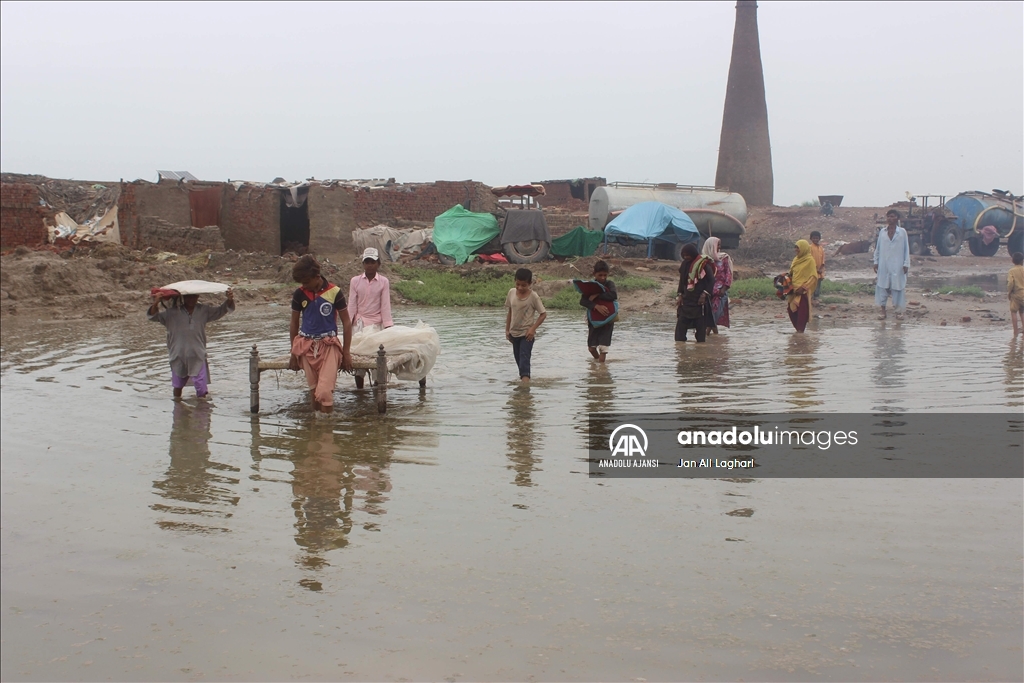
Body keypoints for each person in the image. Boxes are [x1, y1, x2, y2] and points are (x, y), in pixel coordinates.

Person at [289, 255, 353, 414]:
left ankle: (326, 431)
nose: (304, 286)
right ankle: (316, 430)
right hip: (306, 345)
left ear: (317, 277)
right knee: (314, 392)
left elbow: (346, 322)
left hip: (329, 345)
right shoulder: (300, 294)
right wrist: (293, 353)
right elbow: (294, 323)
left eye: (306, 282)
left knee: (324, 392)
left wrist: (346, 352)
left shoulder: (334, 292)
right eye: (302, 283)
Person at [148, 288, 234, 399]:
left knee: (202, 389)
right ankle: (177, 405)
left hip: (197, 354)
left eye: (194, 296)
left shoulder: (203, 311)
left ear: (198, 297)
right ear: (183, 298)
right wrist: (156, 303)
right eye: (189, 296)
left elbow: (221, 310)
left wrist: (230, 299)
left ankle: (202, 412)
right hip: (178, 354)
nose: (191, 299)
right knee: (178, 386)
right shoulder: (172, 313)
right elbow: (153, 316)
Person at [504, 268, 547, 382]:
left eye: (524, 285)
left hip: (526, 335)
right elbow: (510, 312)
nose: (520, 288)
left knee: (524, 362)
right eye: (518, 284)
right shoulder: (511, 292)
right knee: (519, 363)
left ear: (530, 284)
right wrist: (507, 330)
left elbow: (543, 314)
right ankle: (522, 392)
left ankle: (525, 394)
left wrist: (532, 329)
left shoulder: (533, 297)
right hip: (514, 334)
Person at [873, 209, 911, 320]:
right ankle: (883, 311)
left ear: (897, 218)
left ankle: (898, 312)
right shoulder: (882, 232)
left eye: (892, 216)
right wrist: (876, 262)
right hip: (884, 265)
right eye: (888, 216)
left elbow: (906, 249)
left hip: (898, 265)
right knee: (882, 287)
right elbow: (878, 248)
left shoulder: (902, 232)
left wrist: (906, 263)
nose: (890, 218)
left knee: (898, 288)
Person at [675, 242, 714, 343]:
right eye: (684, 255)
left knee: (700, 329)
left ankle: (701, 349)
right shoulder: (684, 264)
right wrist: (680, 295)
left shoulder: (703, 264)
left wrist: (704, 294)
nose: (686, 257)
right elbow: (682, 281)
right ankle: (680, 349)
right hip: (686, 299)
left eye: (688, 255)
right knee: (680, 329)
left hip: (699, 301)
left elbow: (711, 280)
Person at [348, 247, 393, 333]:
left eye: (373, 262)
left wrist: (388, 326)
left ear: (378, 264)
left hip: (376, 325)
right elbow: (352, 305)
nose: (370, 265)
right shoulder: (355, 281)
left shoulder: (383, 282)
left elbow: (385, 306)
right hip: (359, 324)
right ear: (363, 264)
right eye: (367, 262)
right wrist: (348, 324)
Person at [580, 260, 617, 362]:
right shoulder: (591, 286)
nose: (603, 278)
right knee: (591, 348)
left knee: (603, 348)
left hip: (608, 320)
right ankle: (598, 364)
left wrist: (598, 295)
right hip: (594, 320)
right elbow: (583, 301)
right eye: (600, 275)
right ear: (594, 274)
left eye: (605, 275)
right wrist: (596, 306)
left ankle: (600, 369)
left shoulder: (609, 284)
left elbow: (614, 295)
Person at [787, 239, 819, 333]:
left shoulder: (810, 260)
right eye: (795, 247)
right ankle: (798, 333)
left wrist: (803, 287)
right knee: (791, 311)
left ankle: (800, 333)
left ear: (804, 248)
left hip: (802, 291)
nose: (796, 249)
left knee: (802, 313)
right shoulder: (796, 260)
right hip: (794, 290)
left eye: (798, 248)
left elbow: (813, 276)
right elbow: (792, 273)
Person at [701, 236, 732, 332]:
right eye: (717, 245)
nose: (719, 247)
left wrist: (724, 288)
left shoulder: (724, 258)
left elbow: (728, 274)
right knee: (708, 316)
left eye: (719, 245)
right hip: (707, 292)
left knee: (714, 316)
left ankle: (705, 337)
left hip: (719, 292)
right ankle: (714, 338)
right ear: (711, 246)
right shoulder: (703, 260)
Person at [1009, 251, 1024, 337]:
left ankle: (1015, 332)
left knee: (1014, 312)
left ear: (1012, 260)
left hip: (1016, 294)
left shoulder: (1012, 271)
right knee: (1022, 312)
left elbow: (1011, 283)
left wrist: (1009, 292)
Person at [809, 230, 826, 301]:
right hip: (813, 269)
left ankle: (816, 296)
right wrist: (815, 268)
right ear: (811, 239)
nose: (815, 239)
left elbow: (823, 259)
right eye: (814, 238)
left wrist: (821, 268)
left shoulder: (821, 248)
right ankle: (811, 296)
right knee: (812, 282)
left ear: (819, 239)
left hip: (820, 269)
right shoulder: (810, 247)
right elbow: (810, 259)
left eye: (817, 238)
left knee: (818, 282)